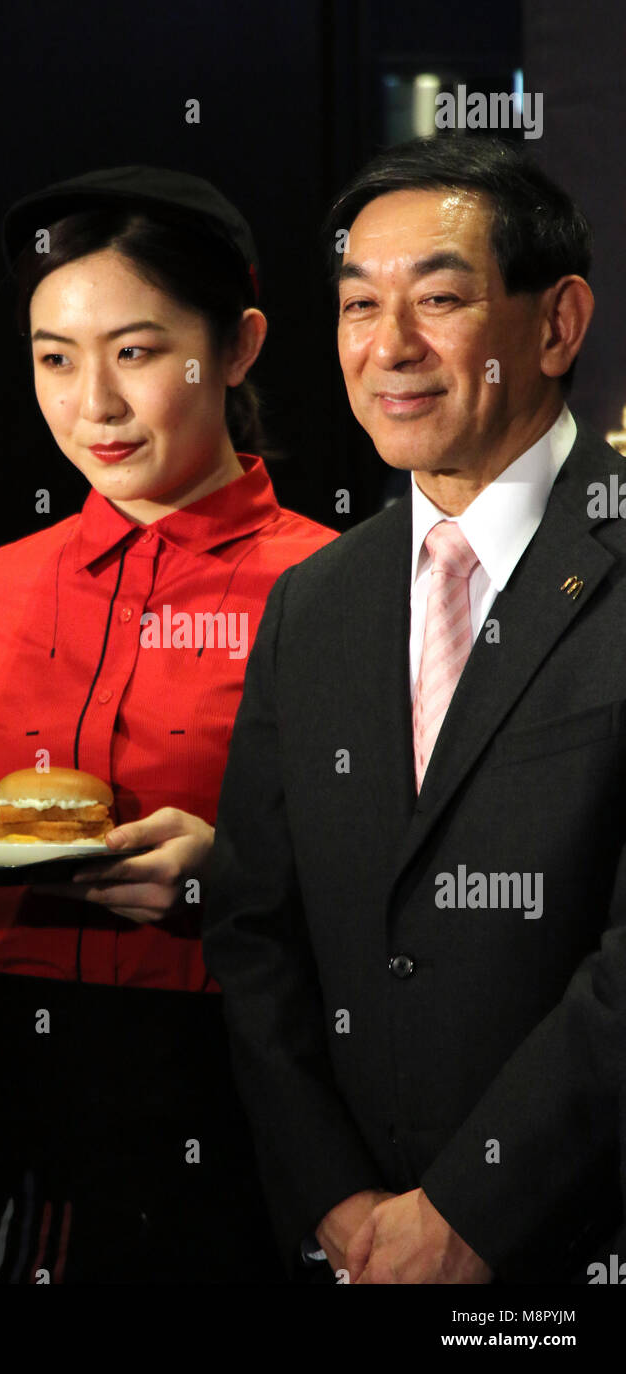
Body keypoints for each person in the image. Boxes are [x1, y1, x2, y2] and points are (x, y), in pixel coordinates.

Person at [0, 166, 337, 1284]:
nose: (93, 404)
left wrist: (234, 880)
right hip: (4, 1095)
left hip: (243, 1091)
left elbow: (426, 906)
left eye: (134, 352)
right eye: (54, 357)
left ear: (235, 349)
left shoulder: (342, 593)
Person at [202, 133, 626, 1286]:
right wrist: (338, 1203)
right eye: (354, 306)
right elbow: (252, 929)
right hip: (351, 1251)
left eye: (437, 299)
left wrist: (471, 1212)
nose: (388, 347)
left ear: (555, 324)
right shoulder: (314, 602)